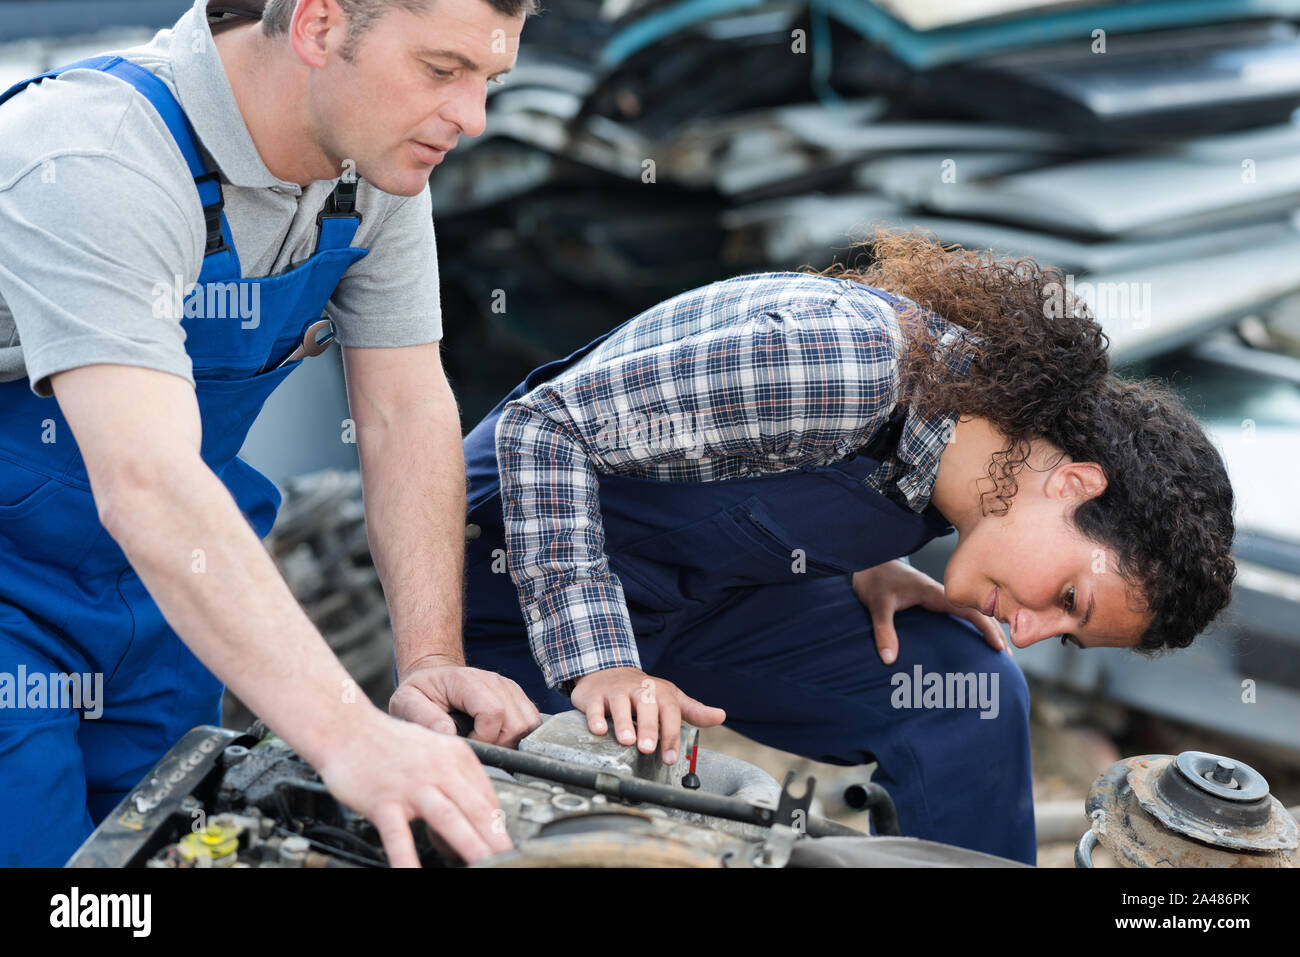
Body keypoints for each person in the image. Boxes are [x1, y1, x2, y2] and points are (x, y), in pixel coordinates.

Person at [460, 229, 1237, 864]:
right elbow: (543, 428)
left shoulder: (971, 460)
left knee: (972, 686)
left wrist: (863, 557)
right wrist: (602, 661)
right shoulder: (848, 364)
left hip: (693, 598)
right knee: (583, 833)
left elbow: (771, 467)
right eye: (1068, 599)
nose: (1031, 629)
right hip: (510, 589)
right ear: (1074, 484)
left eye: (1063, 631)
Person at [0, 0, 544, 868]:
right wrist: (343, 730)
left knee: (170, 857)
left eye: (490, 80)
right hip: (16, 602)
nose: (473, 119)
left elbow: (403, 411)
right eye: (443, 71)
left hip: (168, 598)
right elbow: (145, 478)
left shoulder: (372, 168)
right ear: (319, 26)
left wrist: (428, 660)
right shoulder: (92, 158)